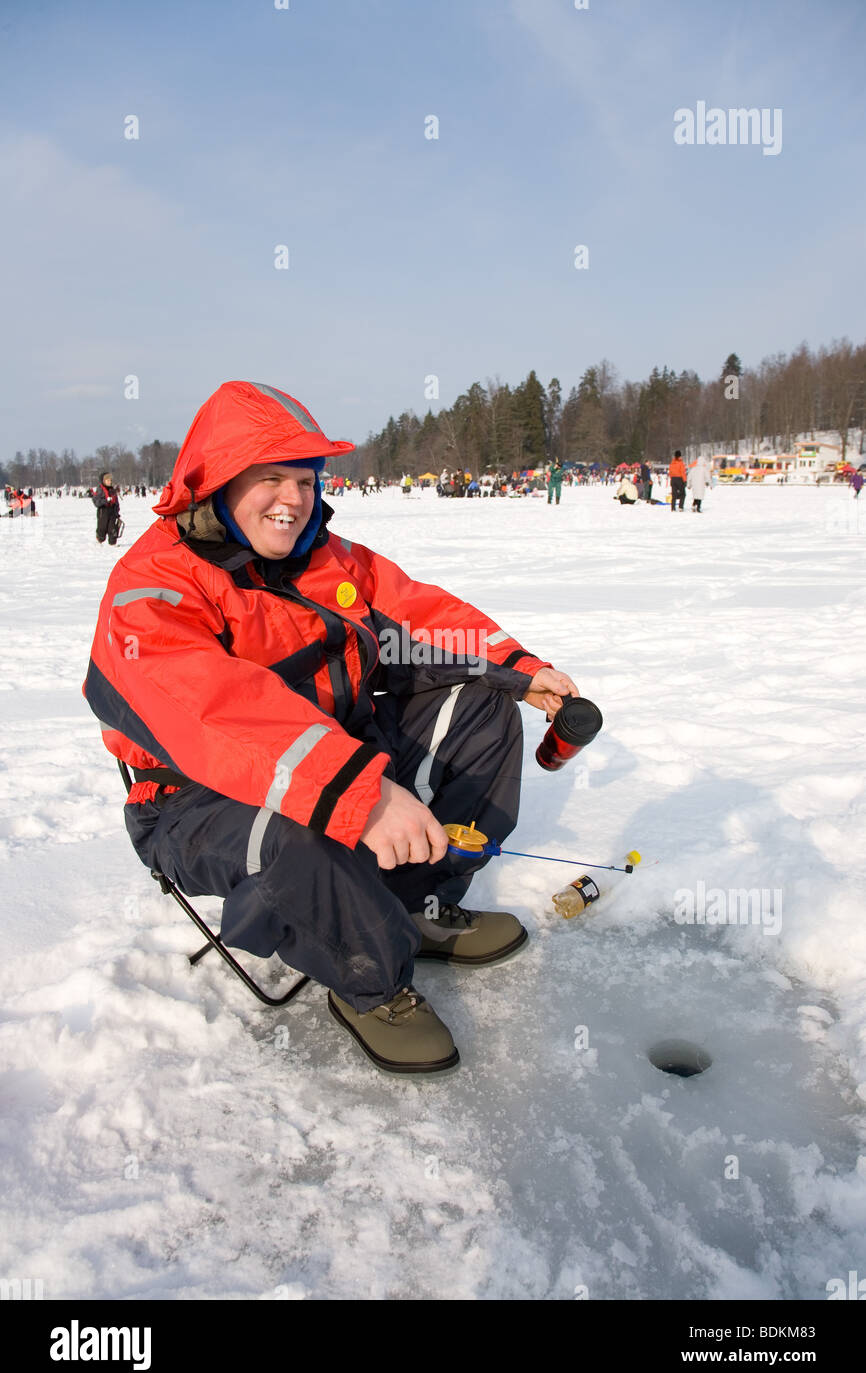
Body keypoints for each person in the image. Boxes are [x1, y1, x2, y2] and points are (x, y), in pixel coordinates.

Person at [83, 380, 579, 1076]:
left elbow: (420, 619)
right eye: (270, 478)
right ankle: (369, 982)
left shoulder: (330, 560)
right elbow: (209, 707)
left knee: (480, 705)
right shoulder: (154, 588)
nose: (293, 499)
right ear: (217, 482)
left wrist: (519, 669)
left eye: (306, 480)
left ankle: (417, 906)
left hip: (341, 755)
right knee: (300, 816)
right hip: (196, 802)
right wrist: (358, 792)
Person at [90, 471, 122, 544]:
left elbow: (116, 502)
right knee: (102, 528)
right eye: (108, 480)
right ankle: (99, 540)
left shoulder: (112, 490)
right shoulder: (100, 489)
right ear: (103, 481)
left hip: (112, 511)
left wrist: (117, 512)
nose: (110, 482)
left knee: (113, 528)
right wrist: (105, 501)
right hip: (103, 511)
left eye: (110, 480)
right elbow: (96, 501)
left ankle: (113, 543)